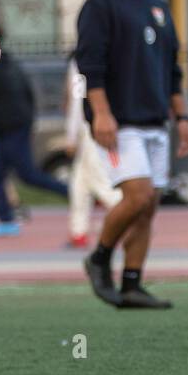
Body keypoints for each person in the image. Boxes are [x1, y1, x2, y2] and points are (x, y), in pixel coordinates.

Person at [75, 0, 188, 309]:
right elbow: (90, 65)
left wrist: (183, 118)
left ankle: (131, 283)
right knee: (137, 195)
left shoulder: (158, 8)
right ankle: (98, 259)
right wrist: (102, 114)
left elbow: (172, 70)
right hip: (118, 123)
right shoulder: (101, 3)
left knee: (149, 205)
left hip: (155, 122)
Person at [0, 23, 69, 238]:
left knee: (26, 174)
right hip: (20, 124)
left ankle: (71, 192)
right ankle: (6, 219)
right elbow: (28, 94)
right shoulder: (11, 62)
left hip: (8, 128)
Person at [64, 55, 122, 249]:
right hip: (95, 125)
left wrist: (71, 135)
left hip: (89, 129)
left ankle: (131, 217)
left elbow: (77, 101)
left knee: (100, 182)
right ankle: (78, 231)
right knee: (79, 183)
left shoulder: (81, 60)